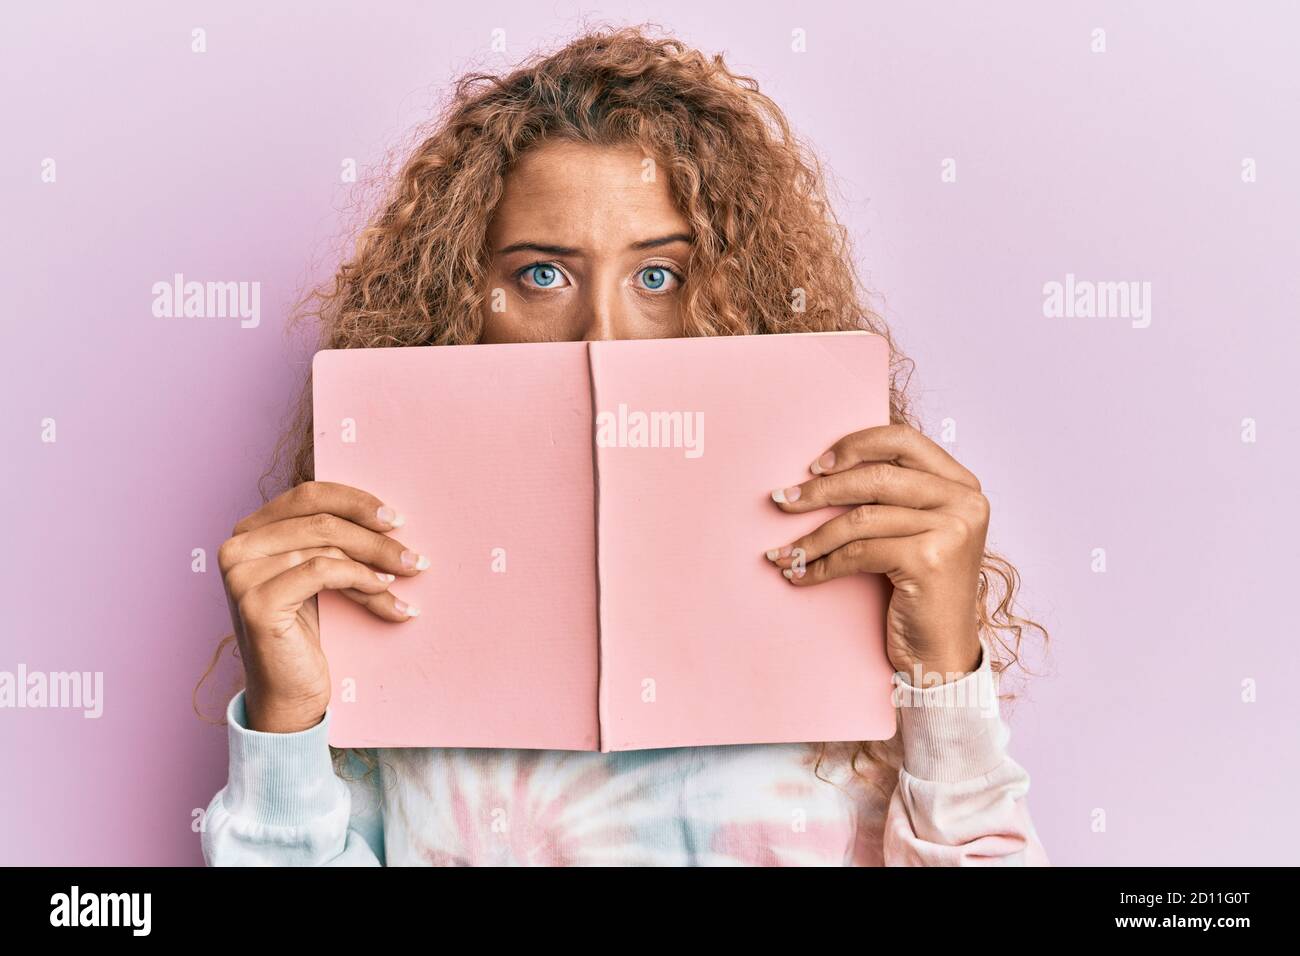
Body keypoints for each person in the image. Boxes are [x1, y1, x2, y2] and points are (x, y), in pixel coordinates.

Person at [198, 26, 1050, 866]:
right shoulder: (378, 605)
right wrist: (287, 719)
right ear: (460, 299)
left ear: (737, 294)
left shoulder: (864, 579)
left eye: (658, 276)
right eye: (542, 274)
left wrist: (943, 671)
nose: (603, 336)